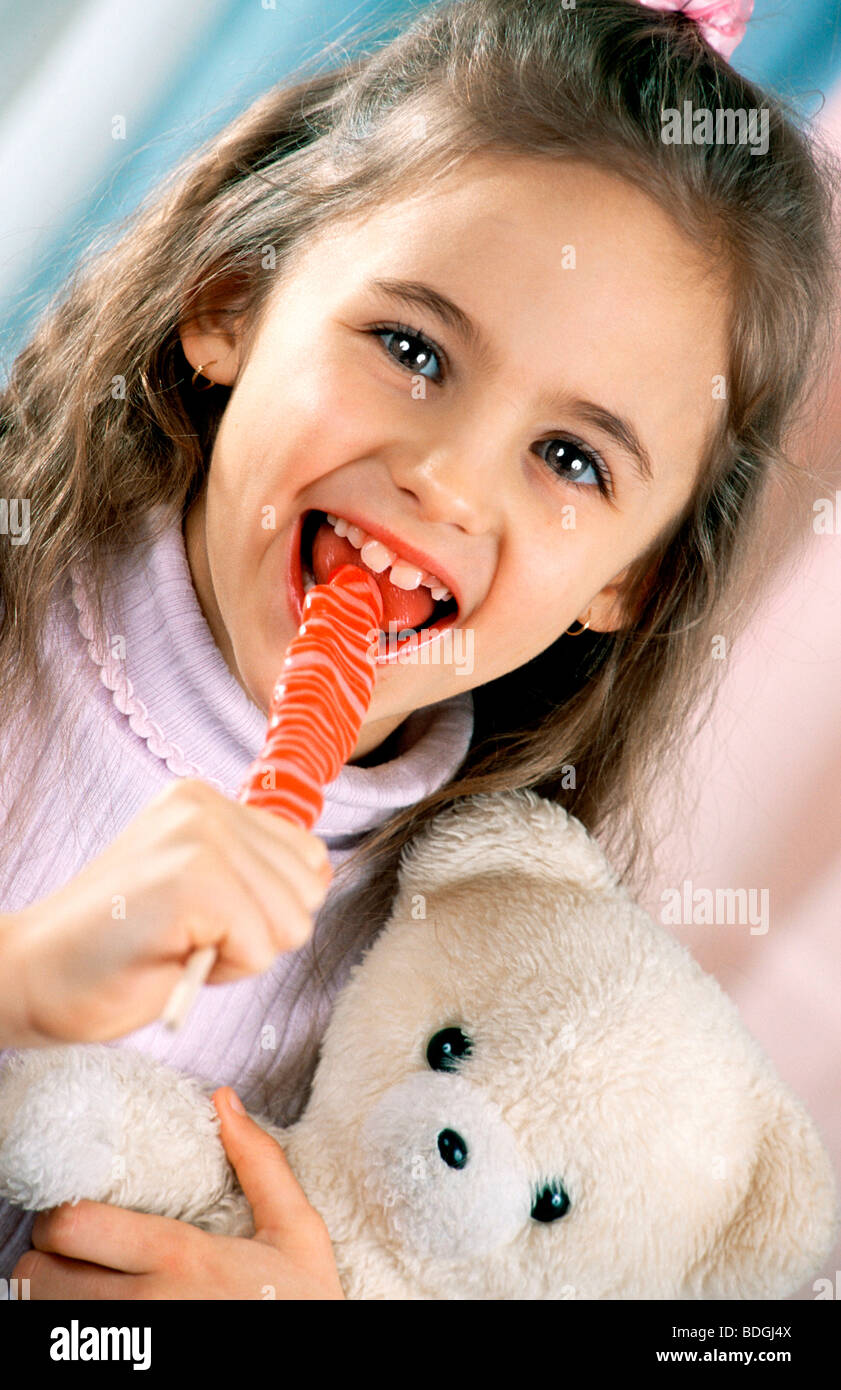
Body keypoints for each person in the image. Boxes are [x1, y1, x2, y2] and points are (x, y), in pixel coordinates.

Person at [0, 0, 836, 1297]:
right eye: (409, 347)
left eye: (570, 457)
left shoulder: (462, 938)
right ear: (231, 299)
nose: (447, 478)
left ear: (628, 577)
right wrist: (24, 983)